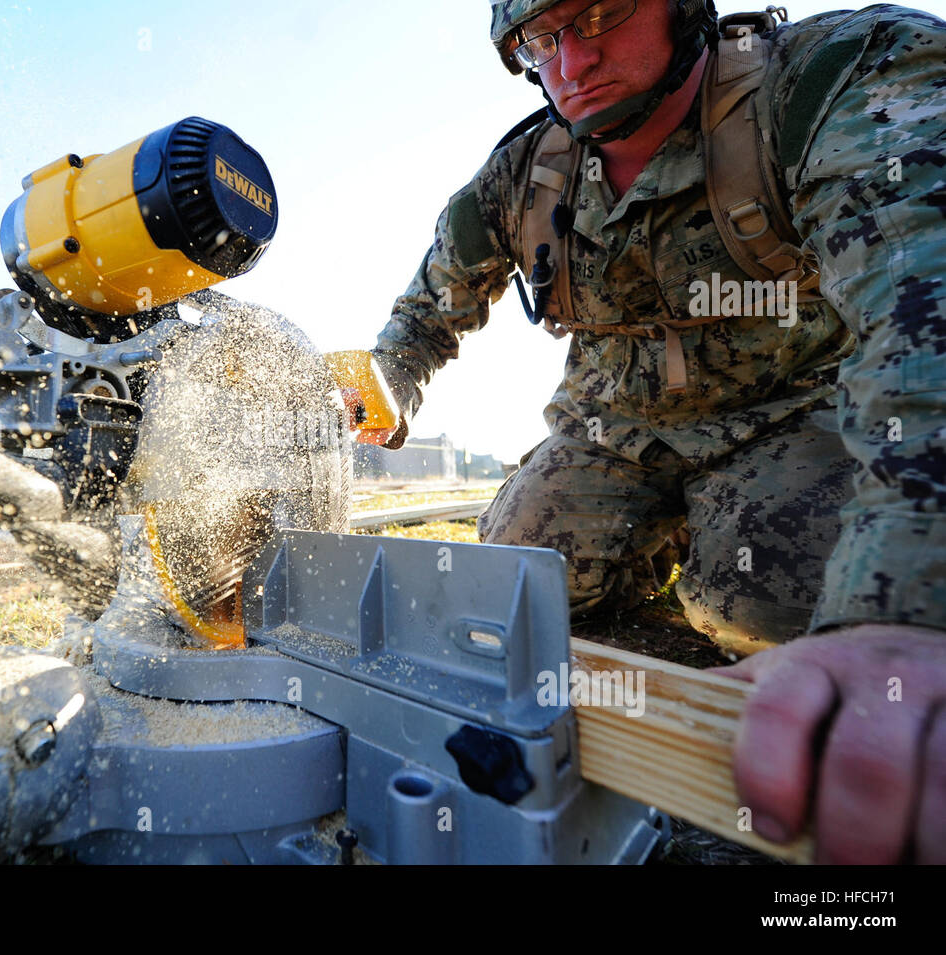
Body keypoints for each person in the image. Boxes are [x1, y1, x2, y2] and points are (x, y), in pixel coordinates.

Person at [370, 0, 946, 863]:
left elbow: (921, 305)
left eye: (599, 10)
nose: (570, 58)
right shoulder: (525, 176)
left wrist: (900, 612)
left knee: (763, 595)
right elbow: (424, 313)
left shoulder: (823, 85)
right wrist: (387, 387)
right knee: (510, 586)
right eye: (539, 38)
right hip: (611, 432)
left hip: (789, 416)